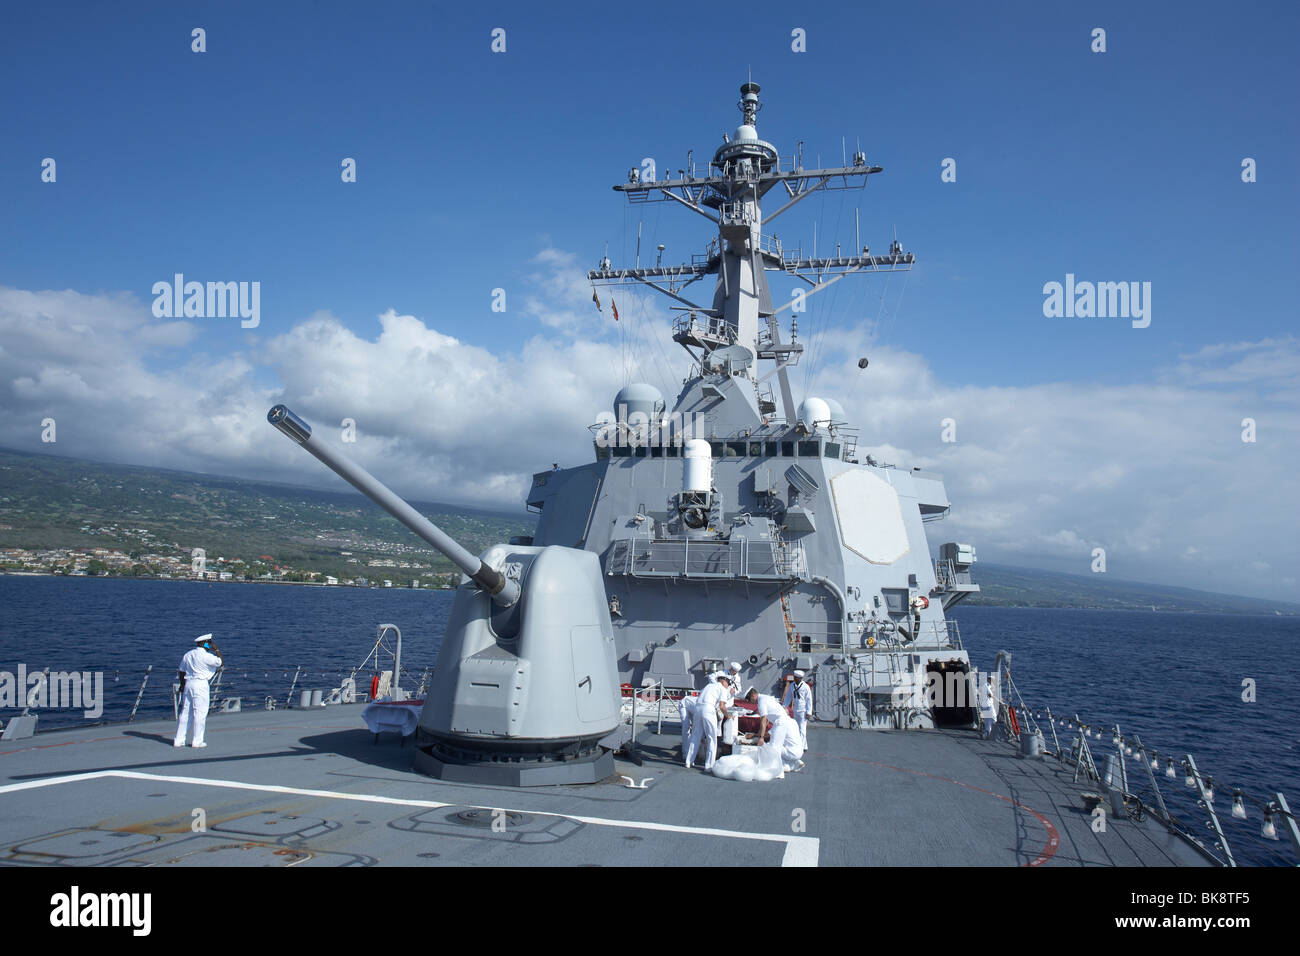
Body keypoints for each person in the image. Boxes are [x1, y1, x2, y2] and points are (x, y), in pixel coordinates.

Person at [174, 633, 223, 748]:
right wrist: (216, 649)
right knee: (200, 713)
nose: (210, 645)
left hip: (189, 684)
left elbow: (182, 671)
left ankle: (179, 740)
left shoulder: (188, 654)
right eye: (209, 642)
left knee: (185, 713)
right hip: (200, 685)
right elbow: (220, 662)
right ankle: (197, 741)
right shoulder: (207, 656)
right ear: (205, 643)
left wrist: (182, 685)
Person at [744, 689, 804, 775]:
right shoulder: (766, 698)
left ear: (753, 696)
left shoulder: (761, 702)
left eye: (749, 700)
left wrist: (760, 738)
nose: (751, 703)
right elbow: (767, 721)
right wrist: (757, 734)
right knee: (773, 745)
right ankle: (791, 764)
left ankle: (777, 771)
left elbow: (763, 720)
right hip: (783, 726)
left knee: (772, 749)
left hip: (780, 723)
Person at [685, 675, 730, 771]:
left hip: (697, 708)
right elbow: (722, 706)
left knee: (695, 736)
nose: (728, 685)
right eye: (728, 683)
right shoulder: (722, 688)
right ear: (723, 681)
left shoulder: (708, 686)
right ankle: (709, 765)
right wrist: (728, 715)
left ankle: (689, 761)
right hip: (708, 710)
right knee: (711, 738)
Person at [781, 670, 814, 748]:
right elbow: (788, 696)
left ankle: (801, 746)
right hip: (796, 709)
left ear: (800, 678)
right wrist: (784, 706)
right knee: (796, 728)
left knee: (802, 729)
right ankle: (804, 745)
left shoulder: (805, 687)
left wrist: (809, 712)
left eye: (796, 678)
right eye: (795, 677)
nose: (795, 679)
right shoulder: (792, 685)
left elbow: (809, 699)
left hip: (803, 710)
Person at [979, 674, 1001, 740]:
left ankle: (986, 733)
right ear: (989, 680)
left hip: (984, 707)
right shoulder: (986, 686)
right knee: (994, 718)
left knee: (987, 722)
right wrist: (999, 700)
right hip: (988, 706)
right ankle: (993, 732)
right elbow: (990, 694)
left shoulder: (987, 686)